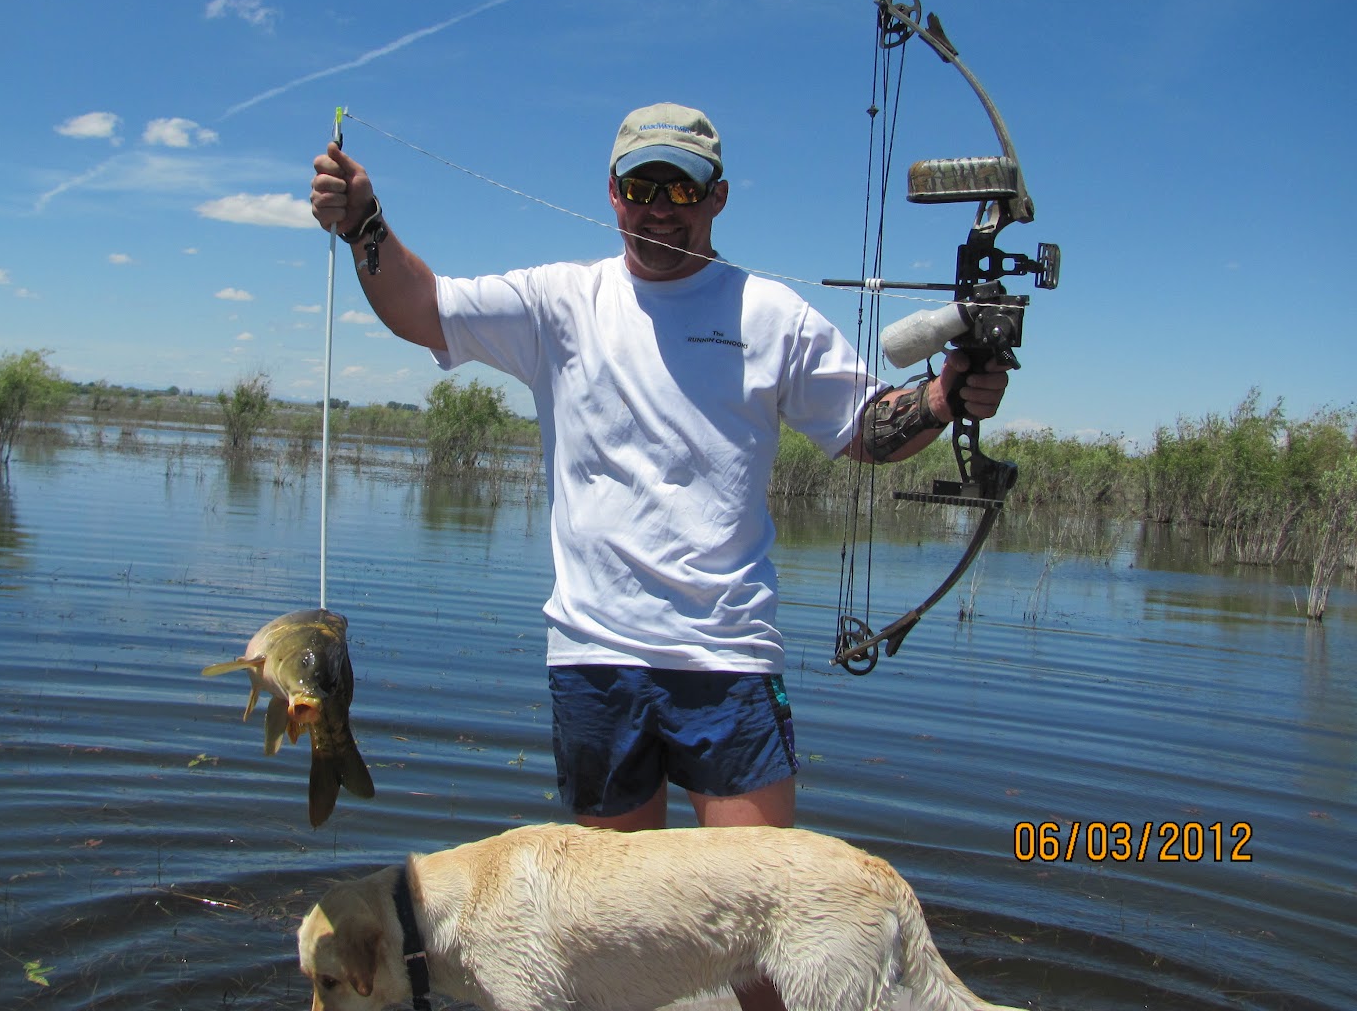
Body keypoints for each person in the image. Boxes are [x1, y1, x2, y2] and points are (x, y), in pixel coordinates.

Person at [310, 103, 1007, 1009]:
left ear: (717, 197)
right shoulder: (560, 301)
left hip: (729, 660)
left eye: (681, 188)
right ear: (612, 193)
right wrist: (363, 223)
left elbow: (865, 430)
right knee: (615, 965)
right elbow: (419, 307)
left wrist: (945, 396)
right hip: (595, 662)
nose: (658, 207)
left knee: (770, 950)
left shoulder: (772, 314)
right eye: (642, 185)